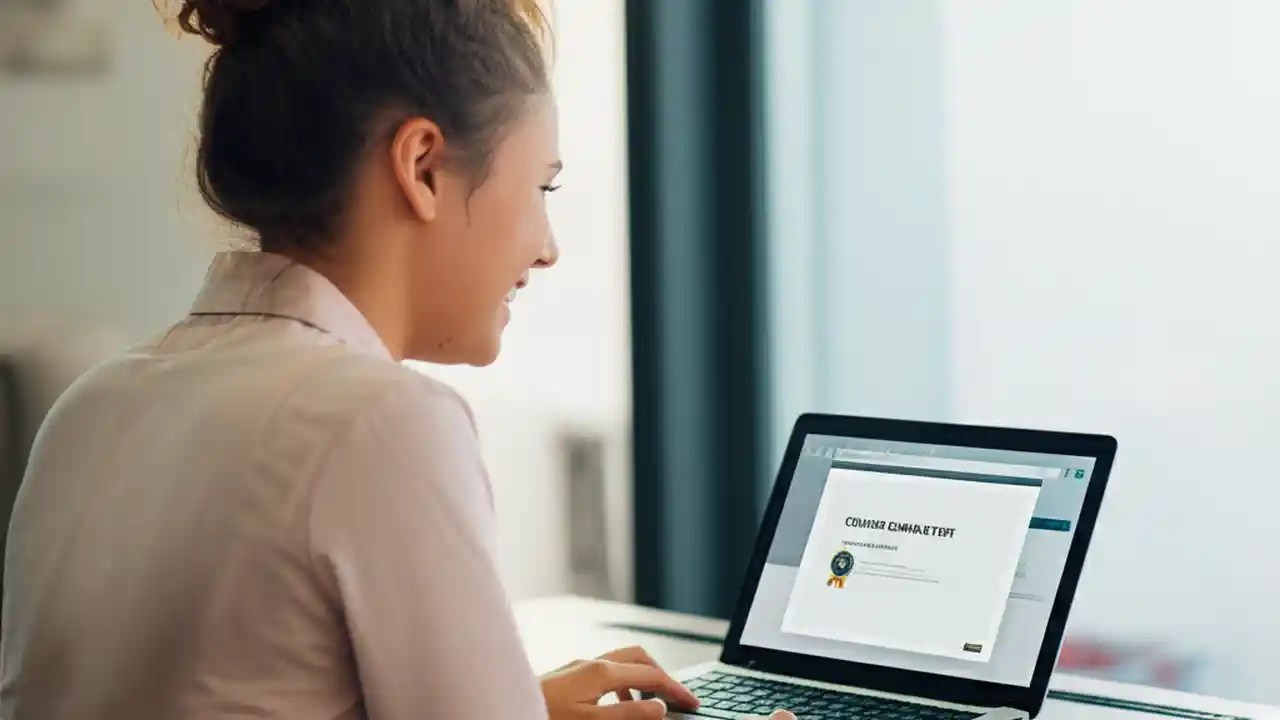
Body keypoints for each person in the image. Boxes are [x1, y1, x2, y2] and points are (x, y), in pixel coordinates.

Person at [0, 1, 795, 719]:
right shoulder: (377, 423)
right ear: (421, 167)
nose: (547, 250)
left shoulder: (90, 406)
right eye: (543, 188)